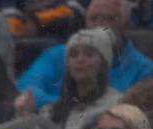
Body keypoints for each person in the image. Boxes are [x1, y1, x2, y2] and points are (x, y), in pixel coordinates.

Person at [16, 0, 153, 109]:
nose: (100, 25)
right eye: (94, 18)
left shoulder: (145, 71)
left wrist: (62, 107)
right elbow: (26, 89)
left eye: (109, 19)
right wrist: (71, 108)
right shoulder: (57, 55)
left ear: (126, 25)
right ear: (85, 23)